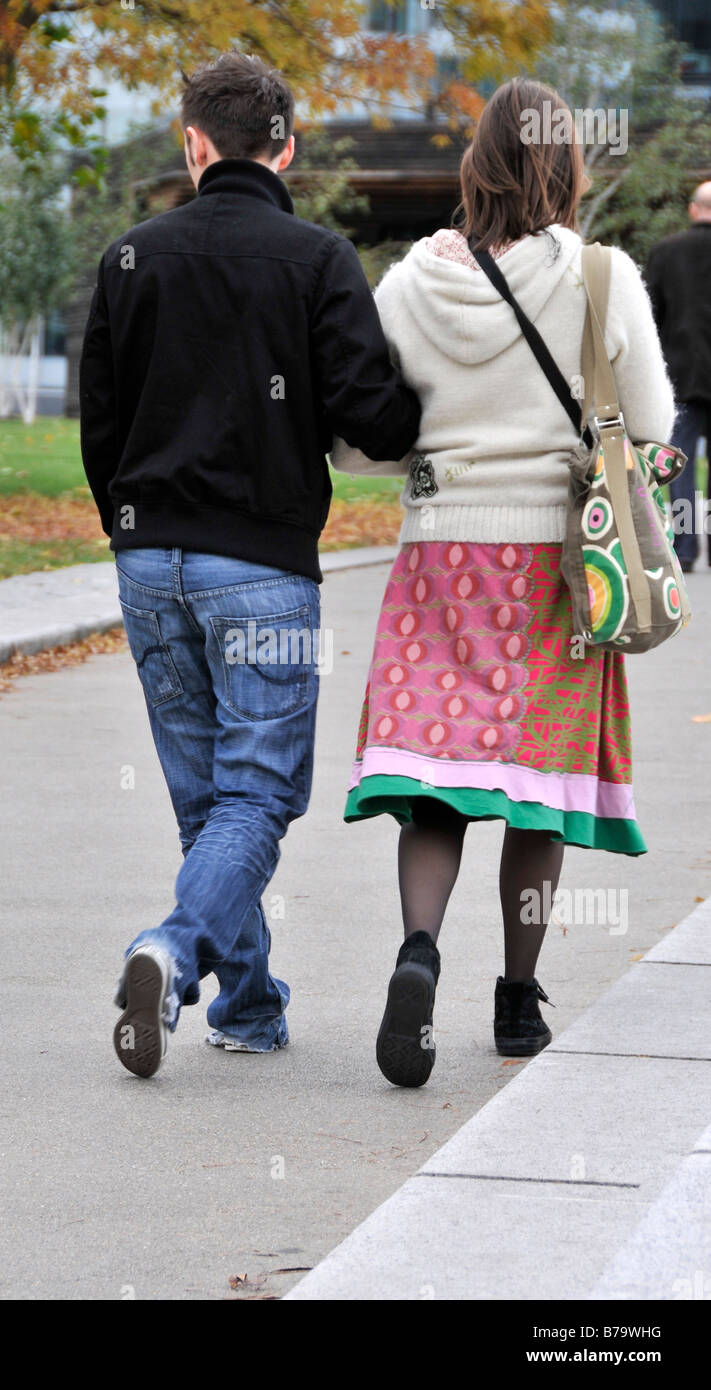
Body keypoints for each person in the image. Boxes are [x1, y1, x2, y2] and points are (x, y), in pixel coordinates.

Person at [80, 53, 421, 1078]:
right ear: (287, 147)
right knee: (256, 797)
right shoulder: (315, 262)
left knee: (208, 799)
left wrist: (130, 526)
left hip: (148, 562)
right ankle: (174, 950)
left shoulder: (130, 257)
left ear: (192, 144)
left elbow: (98, 422)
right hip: (261, 565)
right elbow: (375, 417)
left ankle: (253, 1002)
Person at [332, 77, 675, 1089]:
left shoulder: (407, 285)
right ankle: (517, 1001)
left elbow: (359, 441)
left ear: (471, 166)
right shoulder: (601, 278)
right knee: (534, 792)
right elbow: (650, 425)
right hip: (557, 571)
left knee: (434, 776)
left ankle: (416, 950)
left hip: (440, 553)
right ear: (566, 165)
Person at [646, 184, 711, 573]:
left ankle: (685, 549)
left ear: (692, 209)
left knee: (680, 464)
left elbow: (649, 319)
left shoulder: (665, 252)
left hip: (681, 377)